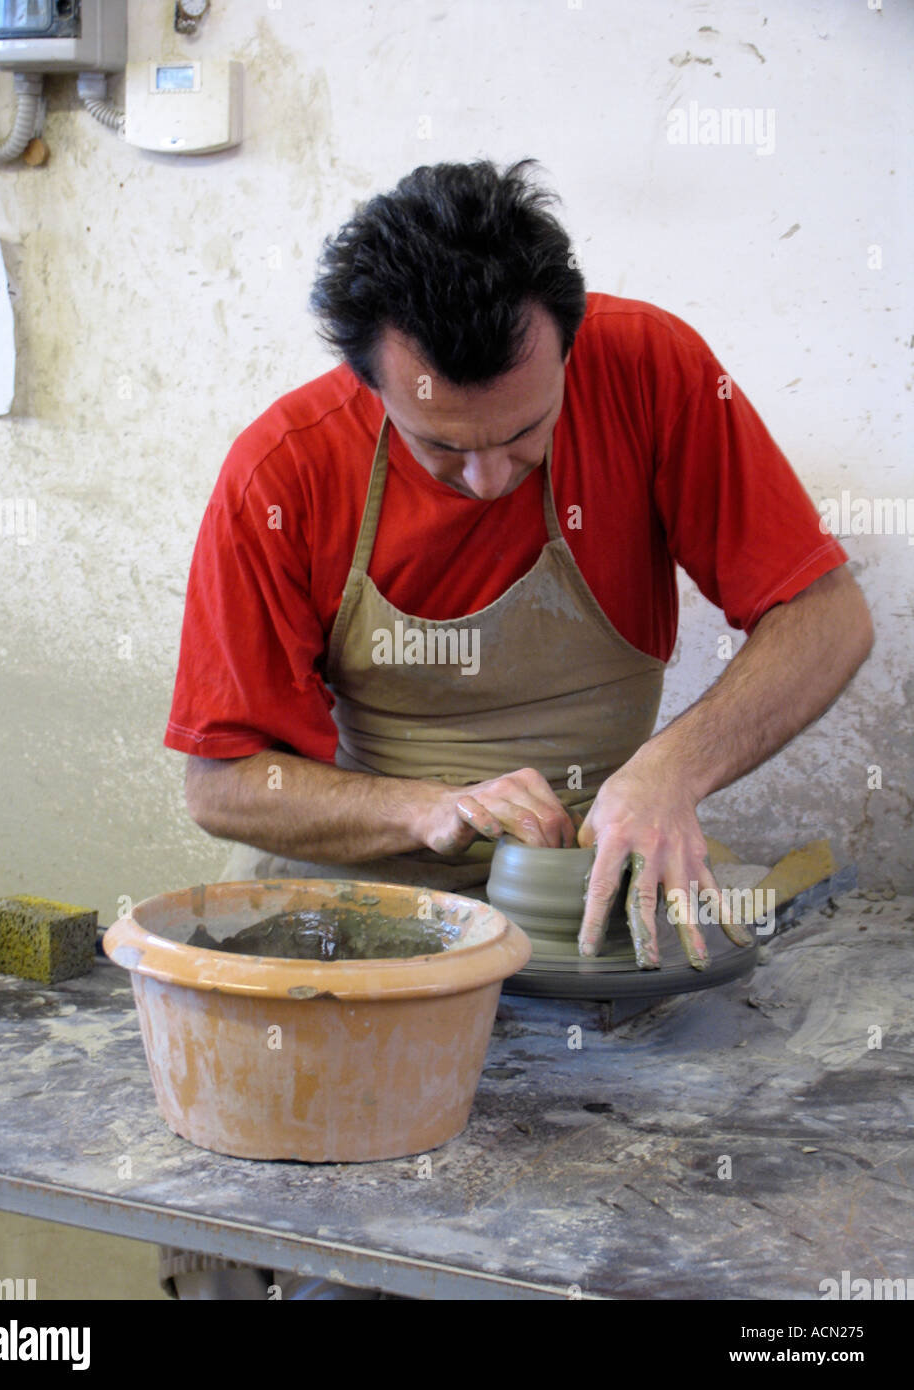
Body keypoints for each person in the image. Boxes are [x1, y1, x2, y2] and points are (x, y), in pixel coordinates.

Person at [159, 159, 873, 1297]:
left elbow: (826, 617)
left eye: (526, 432)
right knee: (337, 1254)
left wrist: (673, 766)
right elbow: (222, 780)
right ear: (371, 383)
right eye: (445, 445)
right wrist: (424, 809)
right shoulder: (284, 471)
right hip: (376, 936)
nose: (489, 475)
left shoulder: (656, 372)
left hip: (590, 919)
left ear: (570, 347)